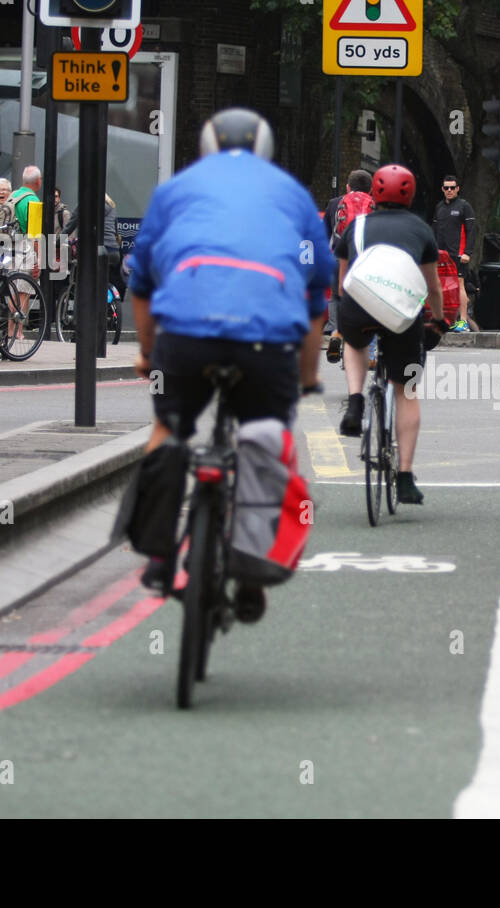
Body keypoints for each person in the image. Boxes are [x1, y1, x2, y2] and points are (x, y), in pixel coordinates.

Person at [126, 108, 333, 618]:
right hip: (266, 342)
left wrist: (149, 354)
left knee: (168, 427)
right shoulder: (293, 195)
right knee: (267, 442)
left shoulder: (175, 190)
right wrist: (307, 377)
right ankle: (253, 568)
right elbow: (315, 298)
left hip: (185, 336)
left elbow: (142, 282)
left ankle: (157, 554)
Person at [336, 164, 447, 506]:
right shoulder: (421, 230)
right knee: (406, 391)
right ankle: (404, 478)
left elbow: (342, 281)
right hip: (401, 315)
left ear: (375, 195)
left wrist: (346, 314)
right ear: (411, 195)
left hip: (358, 305)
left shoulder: (356, 225)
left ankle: (355, 401)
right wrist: (440, 321)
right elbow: (432, 287)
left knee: (355, 340)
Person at [323, 169, 374, 356]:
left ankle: (336, 332)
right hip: (365, 259)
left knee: (336, 297)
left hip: (338, 257)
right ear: (370, 190)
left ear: (347, 187)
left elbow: (325, 235)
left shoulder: (335, 203)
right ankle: (365, 343)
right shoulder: (375, 205)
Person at [432, 174, 477, 332]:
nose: (449, 190)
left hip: (459, 254)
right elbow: (435, 231)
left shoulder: (464, 206)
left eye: (452, 187)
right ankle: (445, 319)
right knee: (441, 285)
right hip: (441, 254)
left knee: (459, 285)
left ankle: (463, 321)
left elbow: (472, 230)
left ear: (458, 189)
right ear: (442, 189)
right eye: (446, 188)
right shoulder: (439, 207)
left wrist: (467, 252)